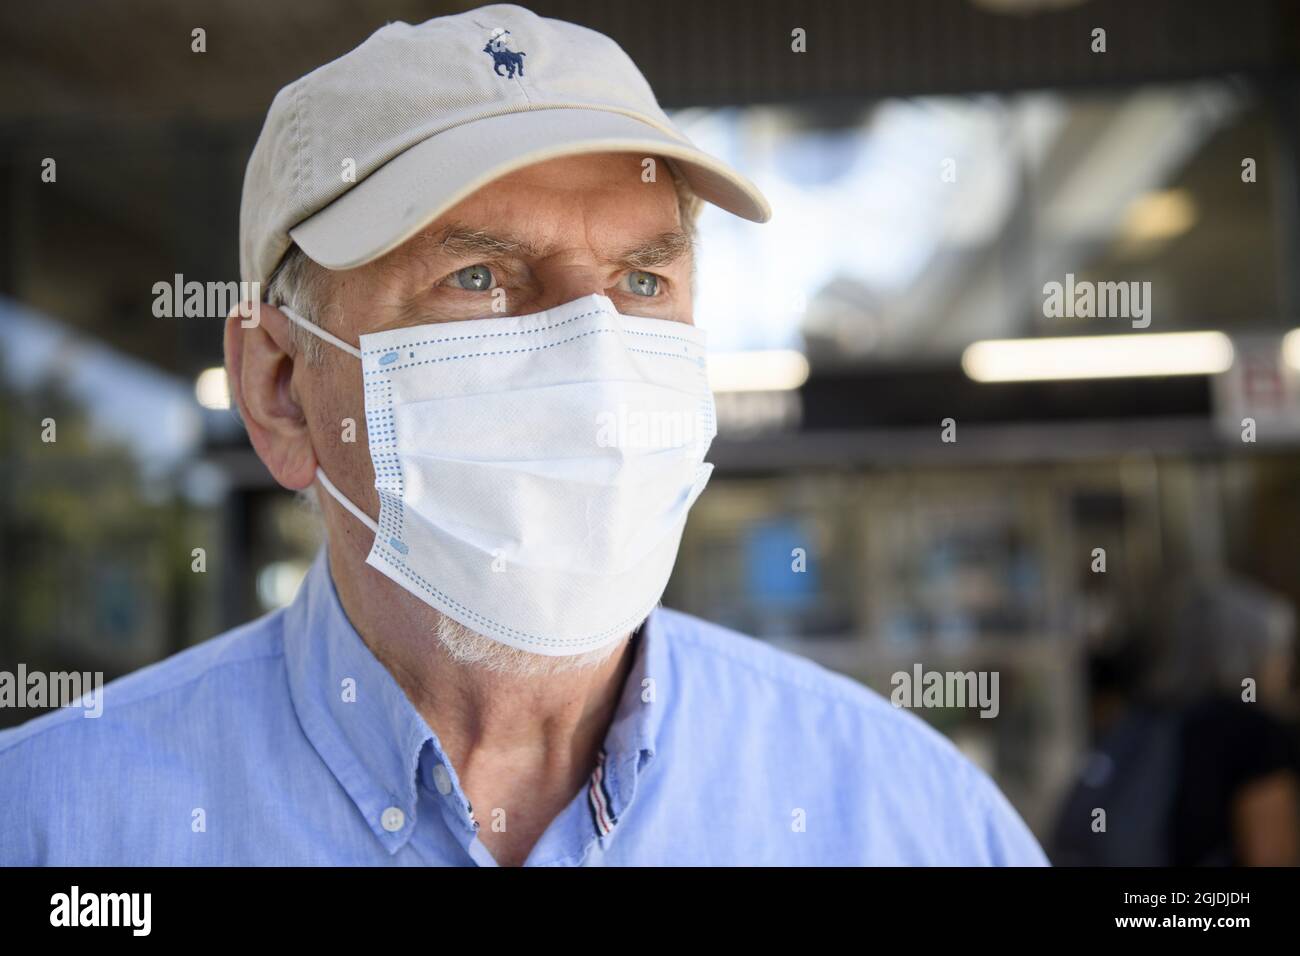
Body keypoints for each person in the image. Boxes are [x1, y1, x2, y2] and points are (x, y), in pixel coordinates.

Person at [0, 4, 1046, 866]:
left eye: (642, 280)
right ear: (279, 386)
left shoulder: (907, 818)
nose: (590, 361)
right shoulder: (57, 828)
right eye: (478, 279)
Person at [1050, 574, 1300, 866]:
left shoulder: (1142, 718)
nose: (1286, 667)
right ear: (1254, 652)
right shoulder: (1255, 733)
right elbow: (1270, 855)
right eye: (1281, 652)